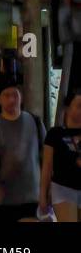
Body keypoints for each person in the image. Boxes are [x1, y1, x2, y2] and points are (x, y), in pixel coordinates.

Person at [0, 81, 46, 222]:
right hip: (4, 198)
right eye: (7, 95)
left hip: (32, 195)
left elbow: (46, 157)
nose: (11, 99)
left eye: (15, 95)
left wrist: (47, 189)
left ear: (21, 97)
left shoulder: (35, 122)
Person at [41, 89, 81, 222]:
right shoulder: (55, 134)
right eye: (79, 106)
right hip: (63, 188)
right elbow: (46, 167)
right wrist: (43, 195)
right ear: (68, 108)